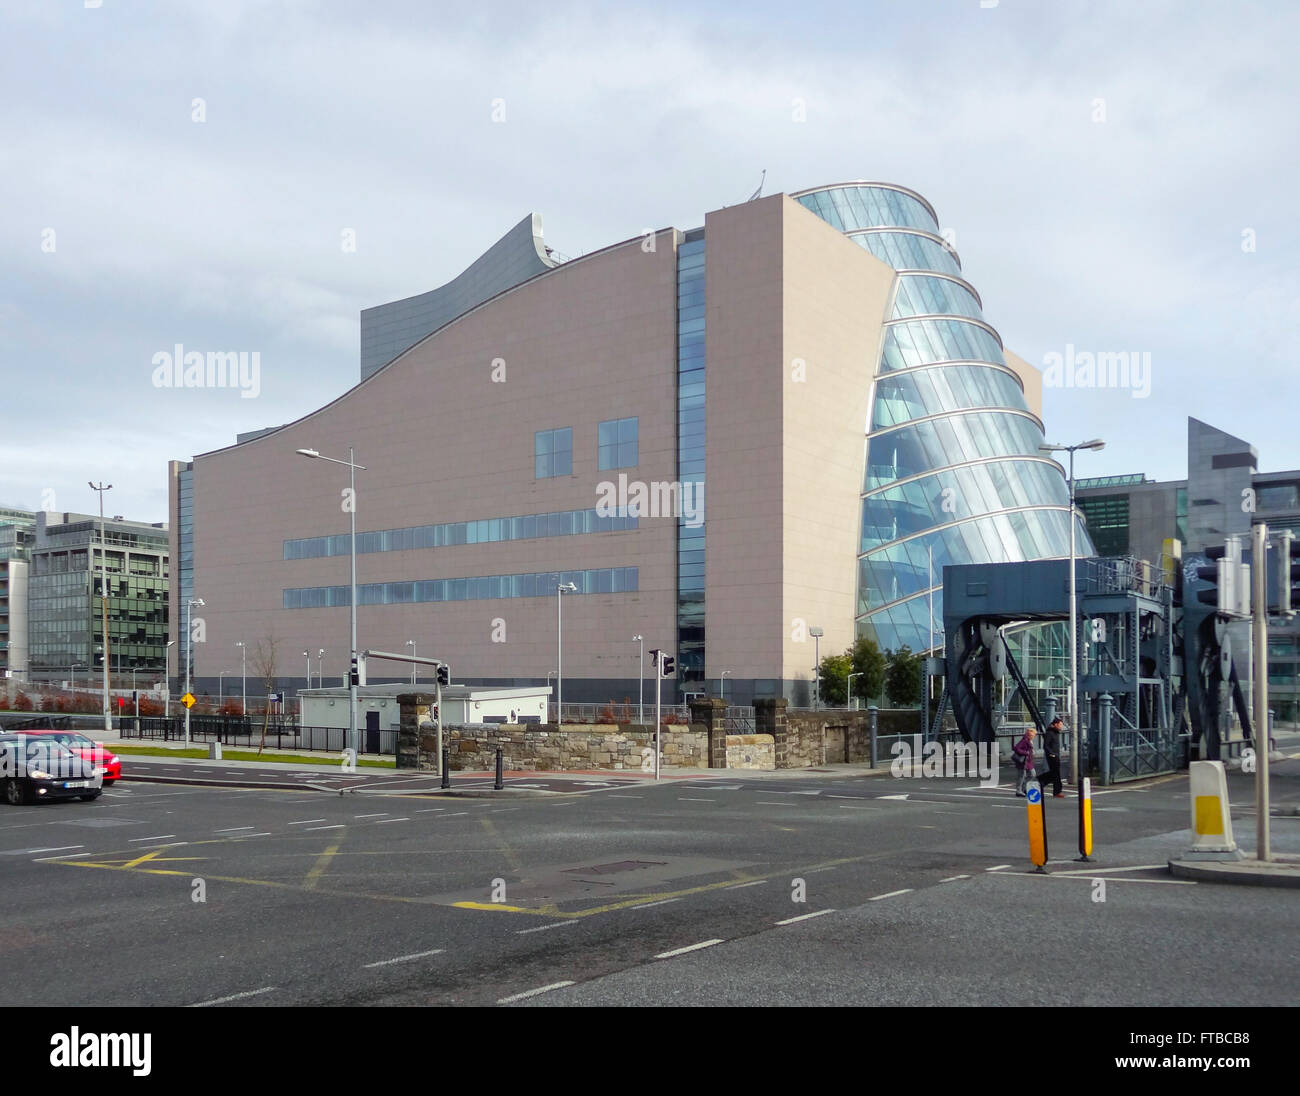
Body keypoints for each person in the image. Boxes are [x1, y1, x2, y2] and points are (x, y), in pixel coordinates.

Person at [1041, 717, 1065, 798]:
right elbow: (1046, 746)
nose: (1061, 726)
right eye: (1060, 724)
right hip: (1052, 757)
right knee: (1055, 774)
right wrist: (1052, 754)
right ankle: (1057, 791)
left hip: (1056, 756)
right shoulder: (1050, 733)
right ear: (1055, 724)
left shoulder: (1056, 732)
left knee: (1054, 774)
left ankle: (1039, 783)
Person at [1011, 726, 1037, 796]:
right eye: (1032, 735)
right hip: (1023, 761)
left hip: (1028, 762)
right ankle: (1019, 791)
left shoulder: (1030, 741)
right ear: (1028, 735)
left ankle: (1023, 788)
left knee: (1032, 774)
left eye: (1033, 735)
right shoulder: (1024, 740)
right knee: (1022, 776)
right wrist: (1026, 753)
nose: (1033, 736)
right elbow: (1016, 748)